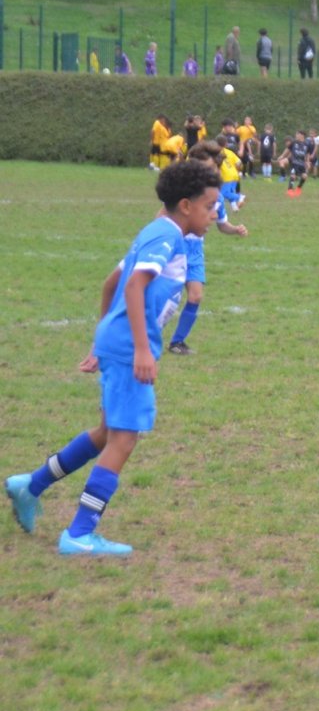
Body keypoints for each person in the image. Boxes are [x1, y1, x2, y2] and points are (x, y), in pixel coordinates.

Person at [5, 161, 221, 556]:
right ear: (186, 205)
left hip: (115, 342)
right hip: (127, 348)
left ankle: (30, 486)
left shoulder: (155, 232)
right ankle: (80, 533)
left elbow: (111, 282)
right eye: (211, 207)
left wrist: (101, 339)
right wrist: (139, 347)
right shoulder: (167, 237)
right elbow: (135, 286)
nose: (215, 215)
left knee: (107, 431)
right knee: (124, 439)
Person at [167, 141, 250, 357]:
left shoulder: (217, 197)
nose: (205, 172)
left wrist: (235, 230)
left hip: (195, 250)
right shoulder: (181, 190)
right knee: (164, 296)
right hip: (175, 246)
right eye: (202, 167)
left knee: (195, 296)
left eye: (210, 168)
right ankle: (143, 335)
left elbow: (222, 225)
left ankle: (177, 342)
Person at [282, 130, 312, 197]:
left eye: (297, 134)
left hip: (302, 163)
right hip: (294, 162)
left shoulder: (307, 144)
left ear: (302, 135)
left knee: (304, 176)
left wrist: (307, 162)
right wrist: (282, 156)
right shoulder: (293, 142)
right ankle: (289, 190)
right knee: (293, 175)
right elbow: (287, 149)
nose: (296, 136)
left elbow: (308, 154)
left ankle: (299, 188)